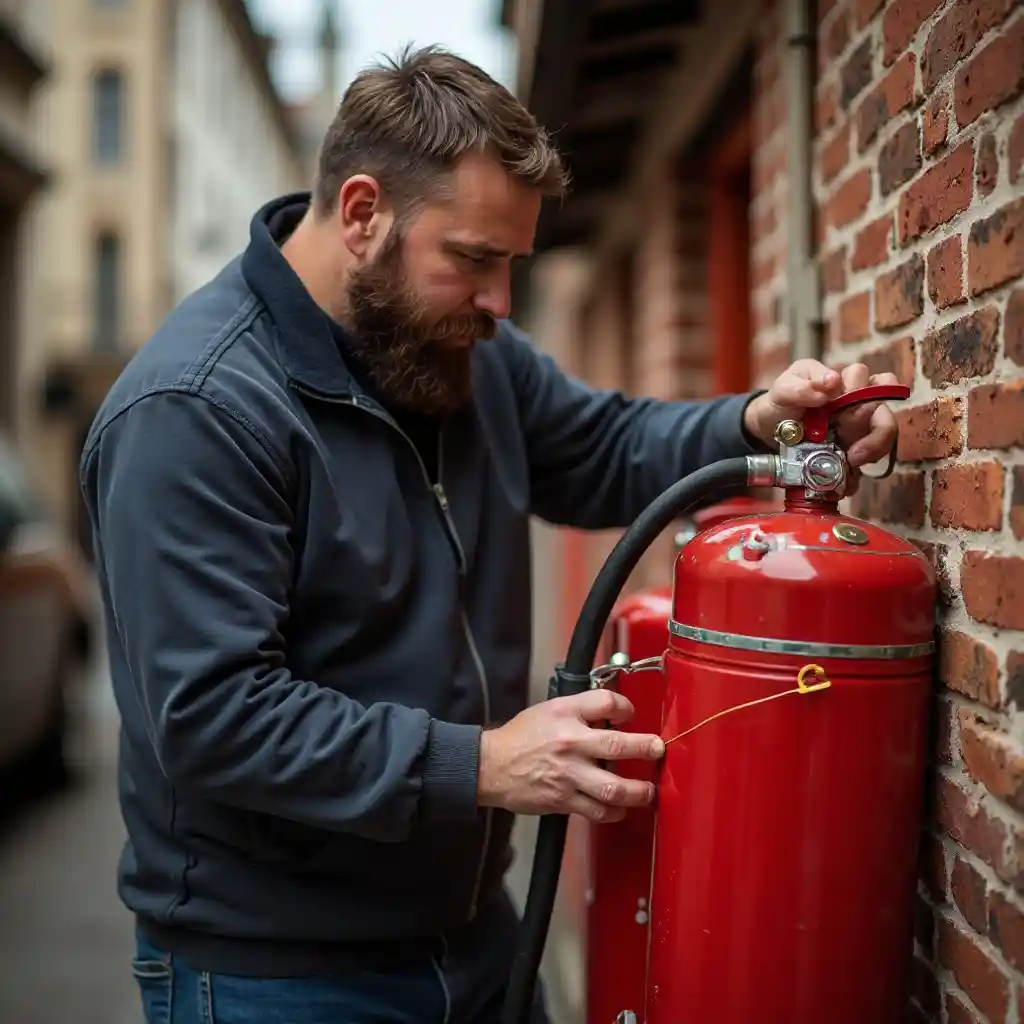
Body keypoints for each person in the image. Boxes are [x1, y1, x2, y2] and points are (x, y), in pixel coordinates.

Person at [79, 45, 899, 1024]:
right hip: (278, 975)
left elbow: (601, 446)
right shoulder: (196, 408)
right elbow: (210, 715)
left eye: (511, 265)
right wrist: (480, 763)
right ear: (361, 213)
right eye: (471, 260)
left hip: (478, 942)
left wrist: (754, 423)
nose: (500, 305)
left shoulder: (463, 350)